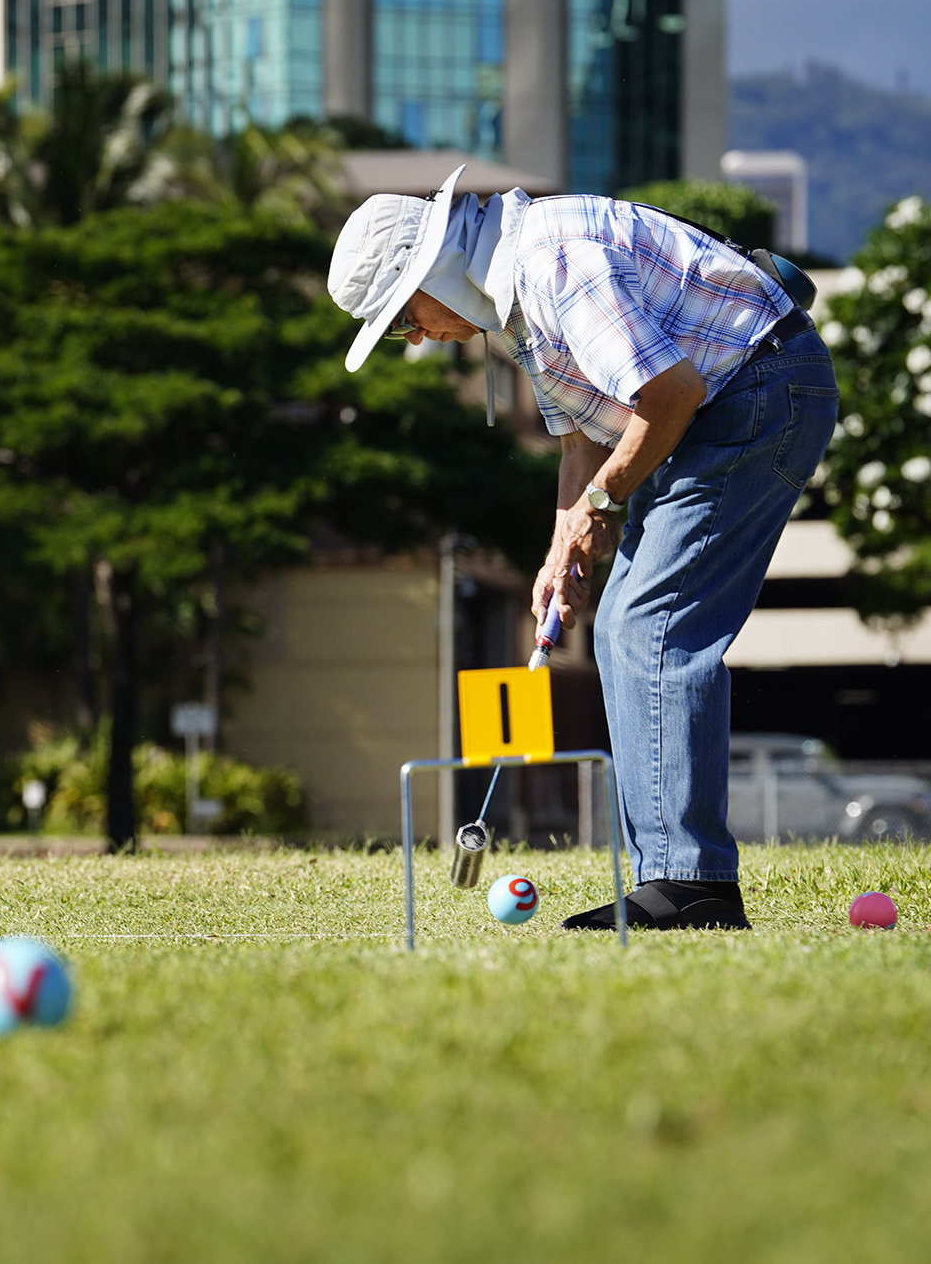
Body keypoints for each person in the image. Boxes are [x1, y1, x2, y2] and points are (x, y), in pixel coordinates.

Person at [329, 166, 835, 930]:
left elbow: (669, 394)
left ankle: (689, 883)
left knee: (646, 626)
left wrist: (603, 505)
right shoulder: (512, 300)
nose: (416, 339)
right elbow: (578, 441)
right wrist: (560, 549)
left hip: (758, 389)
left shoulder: (550, 262)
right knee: (624, 627)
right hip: (714, 408)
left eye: (404, 320)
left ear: (430, 271)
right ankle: (671, 875)